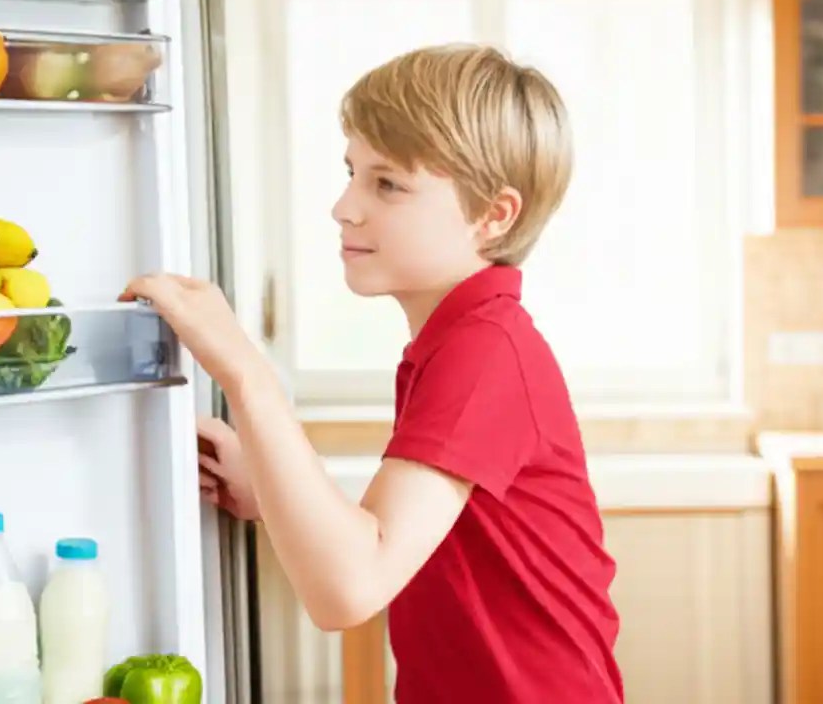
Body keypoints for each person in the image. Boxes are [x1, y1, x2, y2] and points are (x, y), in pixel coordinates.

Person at [122, 43, 623, 703]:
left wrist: (244, 368)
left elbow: (348, 589)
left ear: (492, 215)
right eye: (352, 171)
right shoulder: (455, 342)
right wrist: (271, 491)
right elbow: (403, 538)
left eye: (386, 183)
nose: (344, 206)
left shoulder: (486, 352)